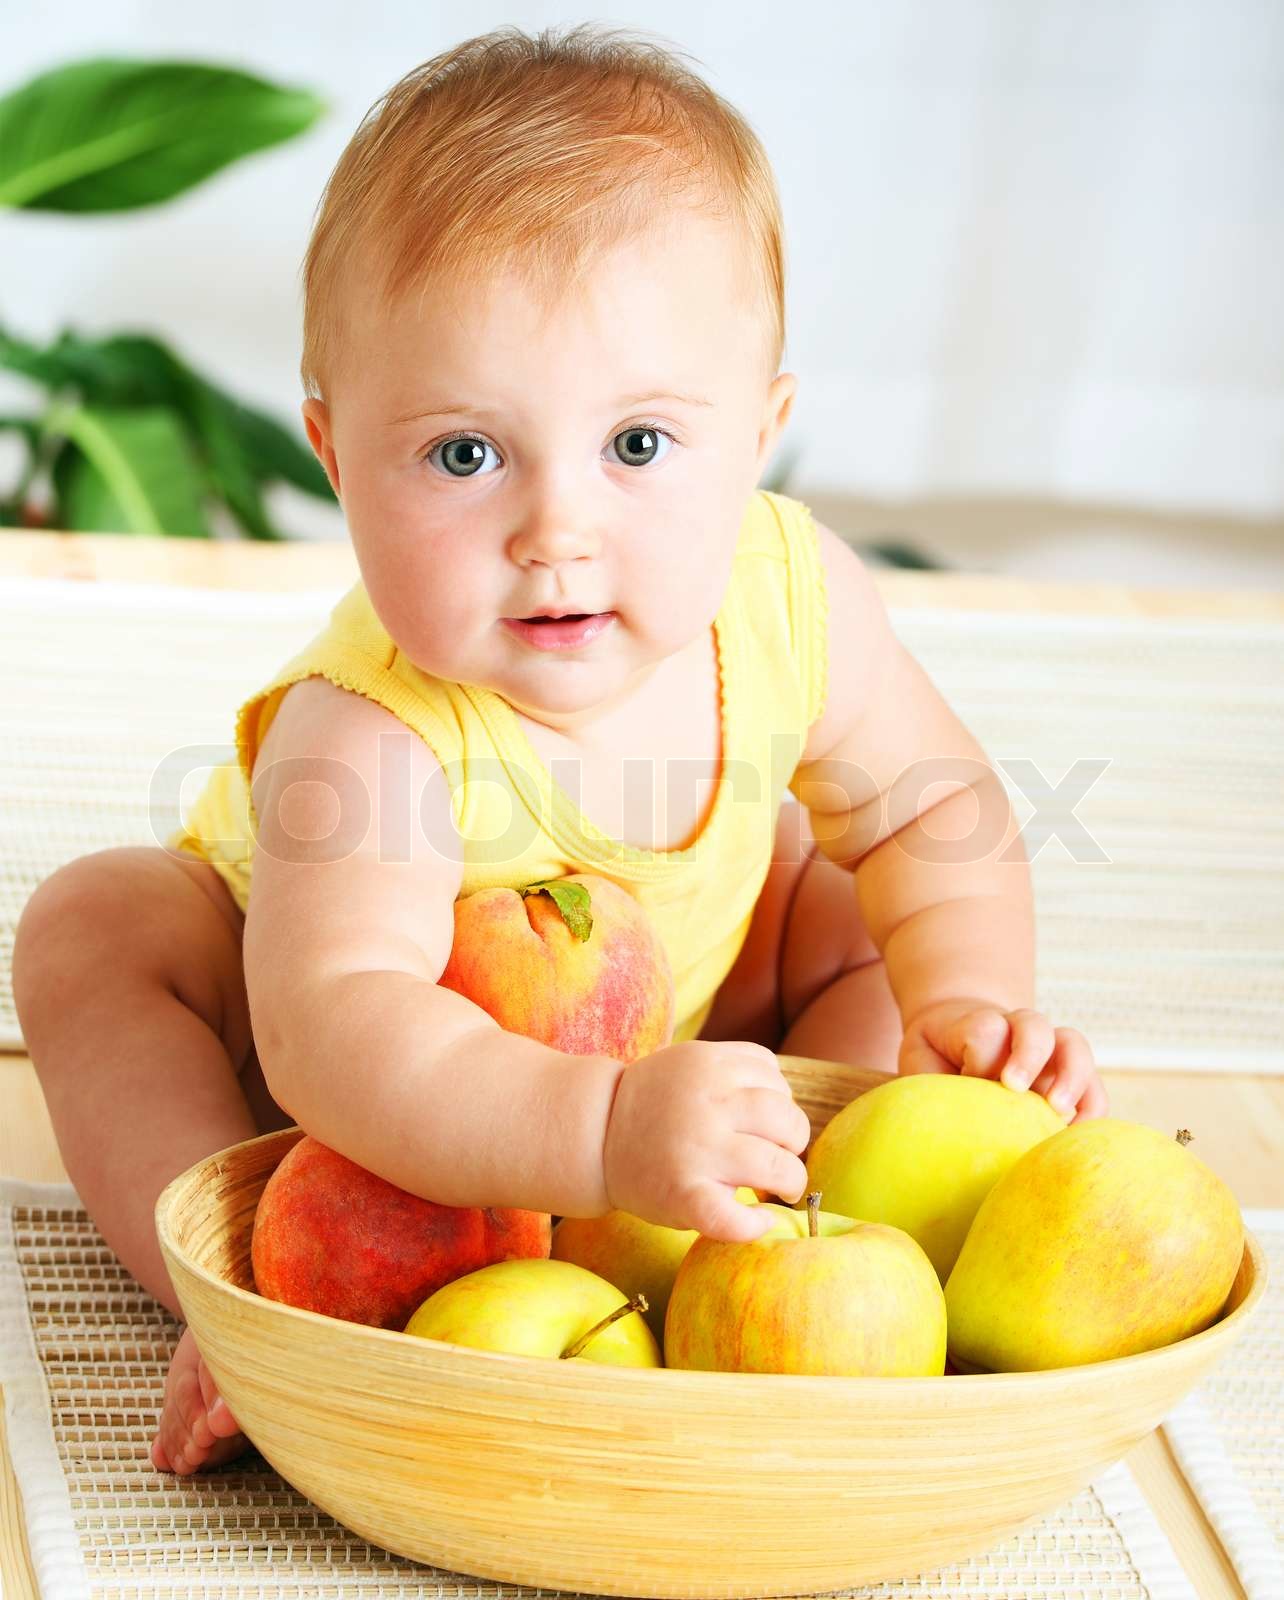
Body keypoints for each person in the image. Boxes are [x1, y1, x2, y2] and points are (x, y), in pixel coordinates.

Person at [12, 22, 1106, 1480]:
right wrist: (593, 1133)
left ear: (760, 436)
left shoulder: (789, 596)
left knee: (849, 905)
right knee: (99, 926)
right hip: (354, 1101)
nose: (557, 531)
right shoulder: (376, 732)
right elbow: (341, 1029)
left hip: (671, 1035)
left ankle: (804, 1206)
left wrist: (970, 1007)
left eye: (640, 446)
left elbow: (931, 814)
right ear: (338, 460)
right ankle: (232, 1299)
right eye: (466, 455)